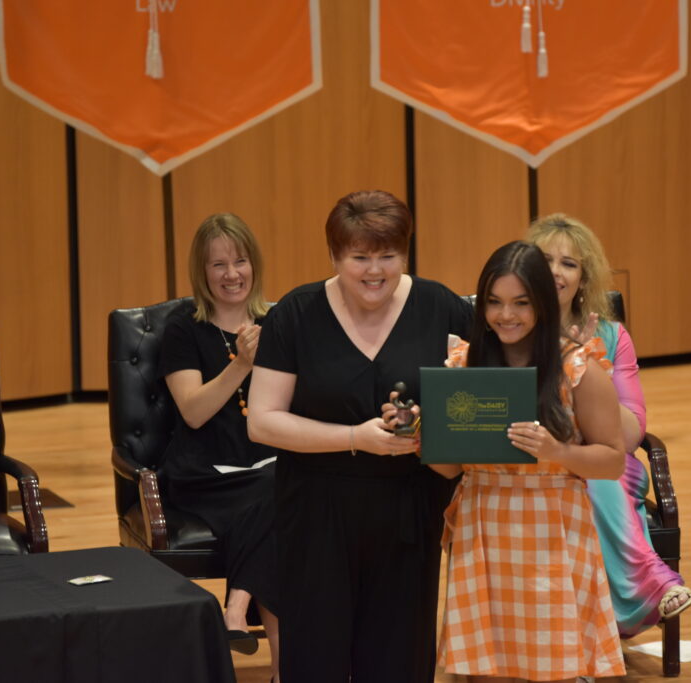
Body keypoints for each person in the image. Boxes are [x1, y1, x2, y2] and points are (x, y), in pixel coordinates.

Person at [248, 190, 473, 683]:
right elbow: (262, 420)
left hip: (410, 509)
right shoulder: (296, 314)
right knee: (316, 655)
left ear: (405, 254)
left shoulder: (442, 308)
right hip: (316, 509)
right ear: (334, 256)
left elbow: (472, 406)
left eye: (388, 256)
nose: (375, 271)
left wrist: (426, 432)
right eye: (360, 258)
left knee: (400, 656)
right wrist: (354, 436)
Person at [429, 240, 627, 682]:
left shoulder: (578, 367)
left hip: (553, 528)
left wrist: (557, 452)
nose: (506, 315)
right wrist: (425, 438)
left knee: (555, 663)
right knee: (486, 668)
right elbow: (448, 469)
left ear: (542, 303)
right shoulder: (462, 366)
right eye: (494, 302)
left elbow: (613, 461)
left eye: (521, 302)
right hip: (482, 524)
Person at [527, 213, 691, 637]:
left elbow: (631, 435)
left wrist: (590, 366)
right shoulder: (511, 327)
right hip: (534, 463)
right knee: (589, 472)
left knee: (600, 471)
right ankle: (649, 585)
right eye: (545, 261)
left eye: (569, 264)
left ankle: (633, 594)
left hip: (607, 462)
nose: (555, 272)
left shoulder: (611, 335)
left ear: (583, 279)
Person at [158, 213, 279, 681]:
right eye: (219, 265)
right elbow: (193, 411)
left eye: (240, 261)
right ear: (202, 272)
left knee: (282, 490)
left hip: (267, 467)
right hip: (205, 473)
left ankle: (236, 610)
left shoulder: (276, 322)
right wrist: (241, 364)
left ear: (255, 265)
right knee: (280, 498)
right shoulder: (183, 329)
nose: (232, 274)